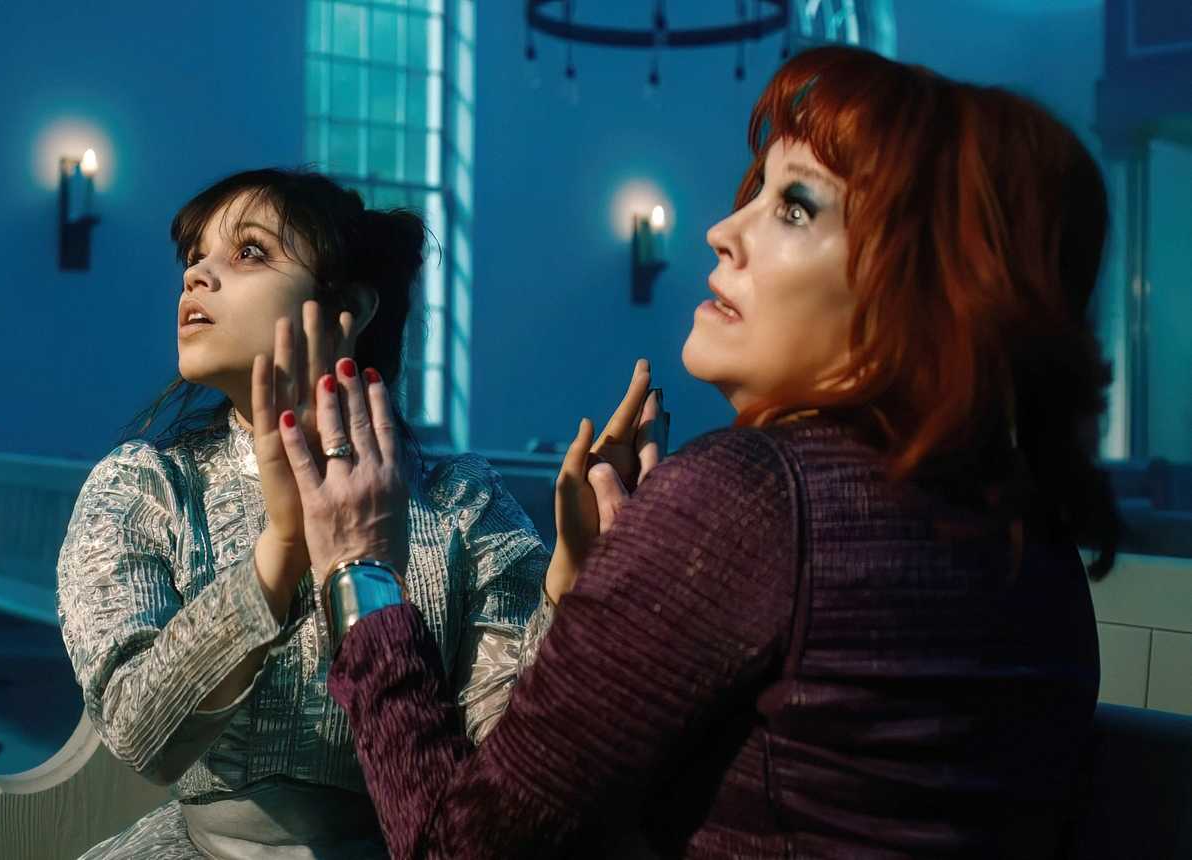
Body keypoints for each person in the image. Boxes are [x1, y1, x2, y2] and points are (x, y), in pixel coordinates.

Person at [278, 47, 1120, 857]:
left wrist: (361, 572)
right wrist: (633, 599)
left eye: (796, 207)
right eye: (757, 193)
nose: (721, 231)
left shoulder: (753, 494)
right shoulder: (1032, 537)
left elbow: (455, 849)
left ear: (926, 287)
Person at [55, 168, 552, 859]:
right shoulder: (147, 486)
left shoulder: (460, 503)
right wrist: (282, 550)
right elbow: (141, 735)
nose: (196, 275)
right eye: (194, 256)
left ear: (348, 307)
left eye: (249, 252)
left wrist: (571, 593)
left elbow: (507, 767)